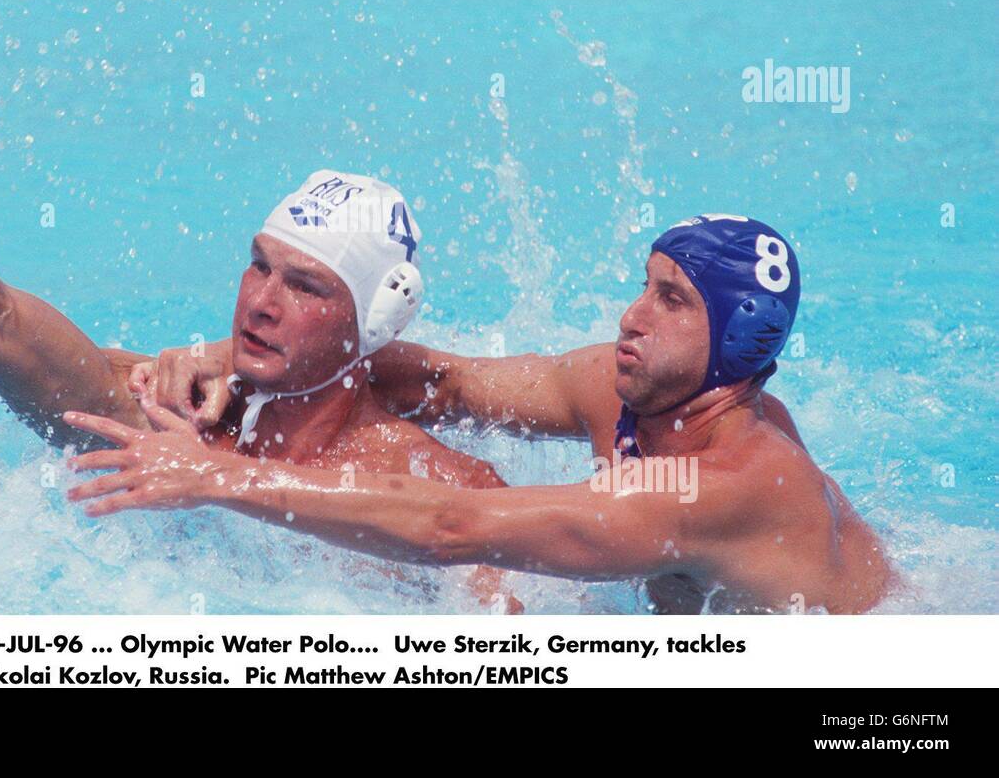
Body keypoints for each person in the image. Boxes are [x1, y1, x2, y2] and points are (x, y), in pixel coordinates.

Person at [0, 0, 521, 610]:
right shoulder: (175, 416)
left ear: (372, 320)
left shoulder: (449, 493)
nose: (261, 300)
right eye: (259, 264)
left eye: (306, 285)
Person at [64, 214, 895, 614]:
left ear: (733, 345)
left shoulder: (730, 483)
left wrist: (227, 477)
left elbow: (454, 525)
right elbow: (451, 382)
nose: (630, 316)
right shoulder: (623, 386)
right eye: (643, 283)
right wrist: (231, 357)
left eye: (671, 300)